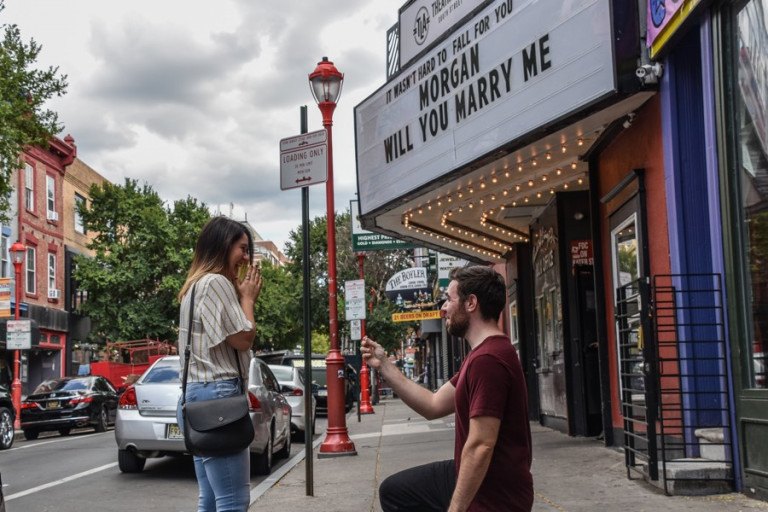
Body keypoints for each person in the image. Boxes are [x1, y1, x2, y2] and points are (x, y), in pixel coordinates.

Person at [362, 265, 533, 512]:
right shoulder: (481, 355)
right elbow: (433, 405)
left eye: (449, 300)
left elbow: (481, 445)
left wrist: (456, 509)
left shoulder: (488, 360)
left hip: (495, 494)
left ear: (471, 303)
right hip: (478, 475)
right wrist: (385, 366)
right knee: (395, 491)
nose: (443, 309)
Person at [176, 216, 262, 512]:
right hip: (218, 399)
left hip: (197, 399)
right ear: (223, 246)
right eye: (242, 248)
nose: (246, 258)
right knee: (234, 501)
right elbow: (243, 339)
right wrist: (248, 298)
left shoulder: (194, 287)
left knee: (211, 500)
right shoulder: (216, 283)